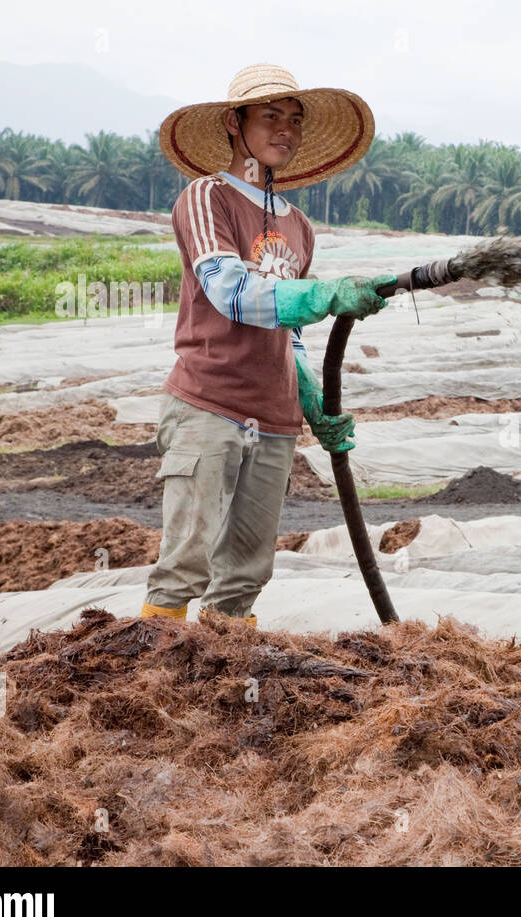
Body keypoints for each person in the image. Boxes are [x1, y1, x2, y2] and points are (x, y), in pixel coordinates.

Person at [139, 64, 394, 626]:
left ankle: (218, 686)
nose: (286, 130)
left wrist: (312, 402)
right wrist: (324, 294)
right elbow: (231, 291)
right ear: (235, 123)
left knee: (247, 572)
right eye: (271, 116)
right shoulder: (208, 198)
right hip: (209, 402)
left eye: (295, 120)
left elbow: (291, 337)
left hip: (274, 420)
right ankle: (149, 682)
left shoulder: (299, 226)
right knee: (187, 562)